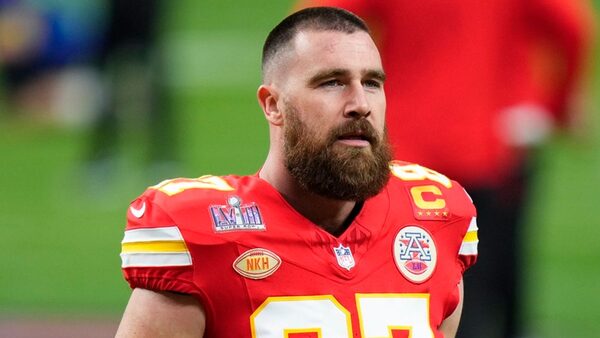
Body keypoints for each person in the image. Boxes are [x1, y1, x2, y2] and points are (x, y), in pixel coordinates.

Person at [116, 7, 478, 337]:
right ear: (273, 105)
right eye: (332, 82)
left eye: (371, 82)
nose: (360, 105)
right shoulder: (199, 235)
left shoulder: (436, 218)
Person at [294, 1, 595, 337]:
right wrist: (559, 104)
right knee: (496, 284)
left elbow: (315, 26)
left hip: (407, 149)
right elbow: (572, 28)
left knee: (402, 285)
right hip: (492, 149)